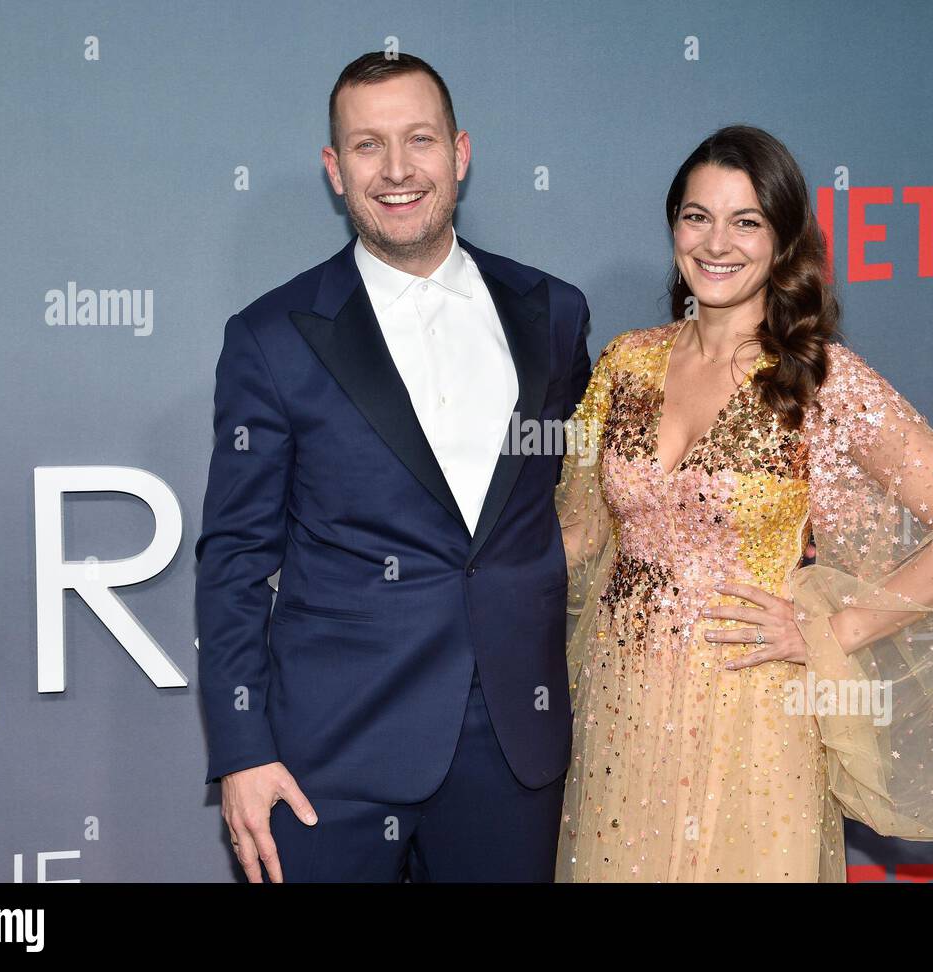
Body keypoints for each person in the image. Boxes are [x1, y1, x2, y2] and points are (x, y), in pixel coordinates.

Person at [553, 125, 933, 882]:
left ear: (783, 240)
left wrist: (835, 628)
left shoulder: (819, 378)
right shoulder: (625, 362)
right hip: (622, 710)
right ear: (674, 225)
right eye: (697, 215)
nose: (716, 242)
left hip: (754, 717)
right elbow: (575, 532)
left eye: (746, 221)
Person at [195, 51, 592, 882]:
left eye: (420, 139)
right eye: (369, 146)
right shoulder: (272, 337)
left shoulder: (553, 314)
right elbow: (233, 560)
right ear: (336, 171)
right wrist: (241, 750)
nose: (399, 168)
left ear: (461, 153)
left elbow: (584, 500)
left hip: (513, 750)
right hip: (325, 760)